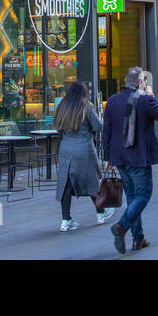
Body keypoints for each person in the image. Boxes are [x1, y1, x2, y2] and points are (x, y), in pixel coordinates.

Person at [102, 67, 158, 254]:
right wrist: (153, 96)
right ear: (140, 82)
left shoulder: (112, 101)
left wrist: (107, 157)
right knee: (143, 195)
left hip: (120, 157)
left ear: (125, 80)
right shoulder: (146, 100)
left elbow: (107, 131)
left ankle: (138, 239)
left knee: (132, 197)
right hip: (139, 156)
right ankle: (122, 226)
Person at [50, 82, 113, 232]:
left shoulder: (63, 106)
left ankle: (66, 220)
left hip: (66, 149)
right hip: (84, 148)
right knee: (92, 181)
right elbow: (98, 126)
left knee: (65, 184)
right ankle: (100, 213)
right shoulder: (86, 106)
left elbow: (58, 128)